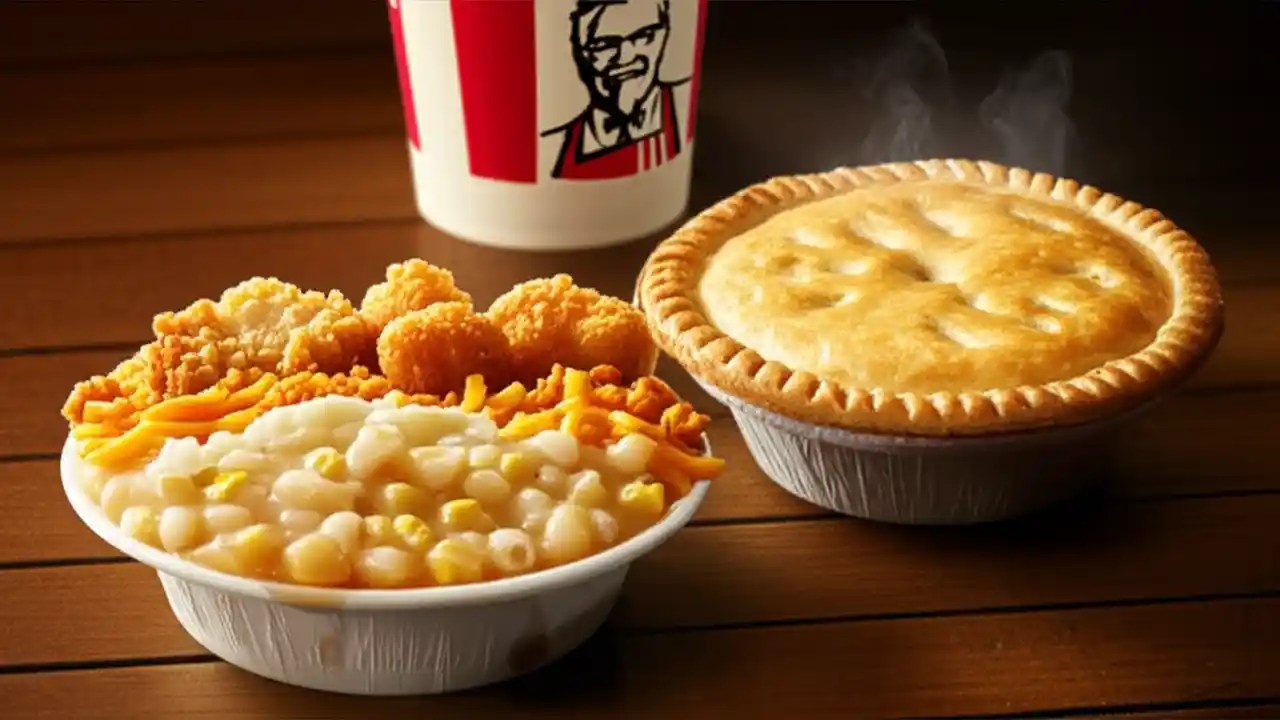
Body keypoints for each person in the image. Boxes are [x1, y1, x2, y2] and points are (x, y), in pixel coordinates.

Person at [547, 0, 687, 180]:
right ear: (578, 55)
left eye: (644, 35)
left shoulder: (683, 109)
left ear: (665, 35)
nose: (625, 57)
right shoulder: (553, 145)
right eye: (603, 44)